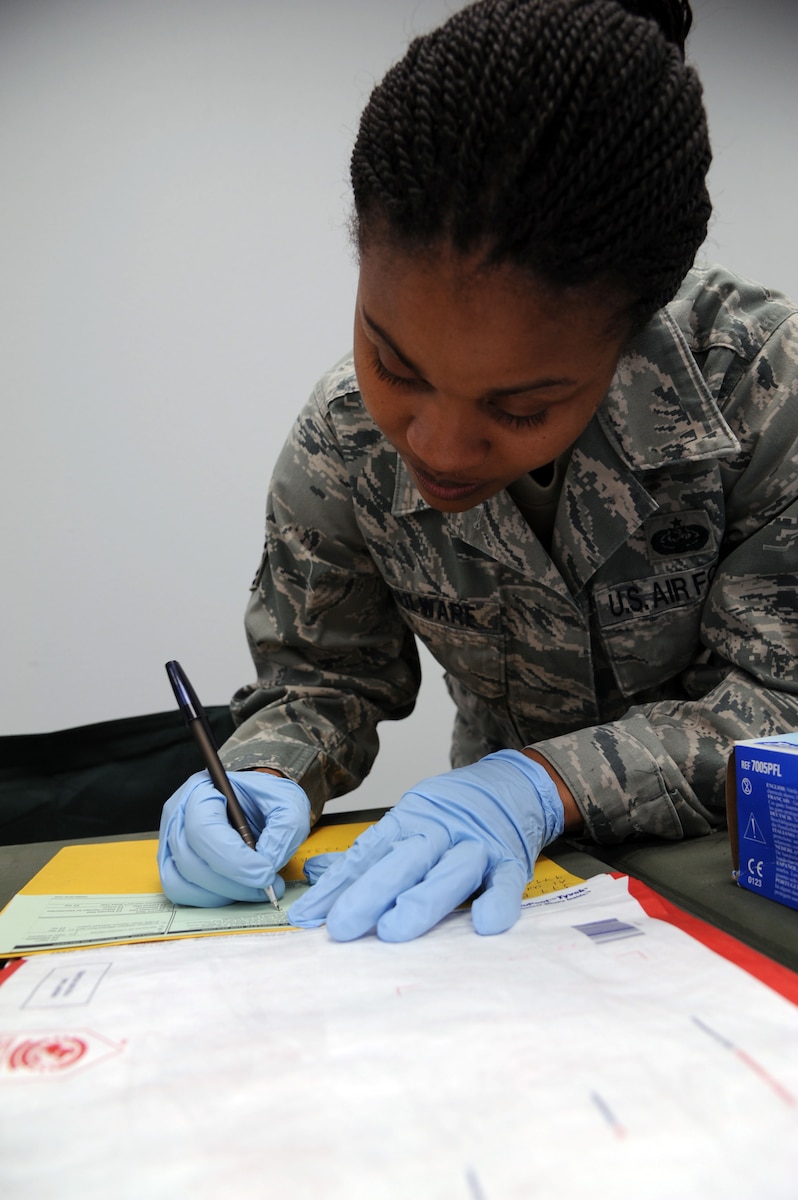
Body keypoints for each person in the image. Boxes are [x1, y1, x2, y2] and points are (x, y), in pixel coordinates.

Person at [158, 0, 798, 941]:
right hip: (494, 888)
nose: (438, 449)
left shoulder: (763, 390)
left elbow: (782, 707)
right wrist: (261, 775)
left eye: (521, 408)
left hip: (729, 874)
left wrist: (538, 783)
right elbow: (326, 681)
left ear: (633, 332)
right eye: (395, 366)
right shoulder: (343, 439)